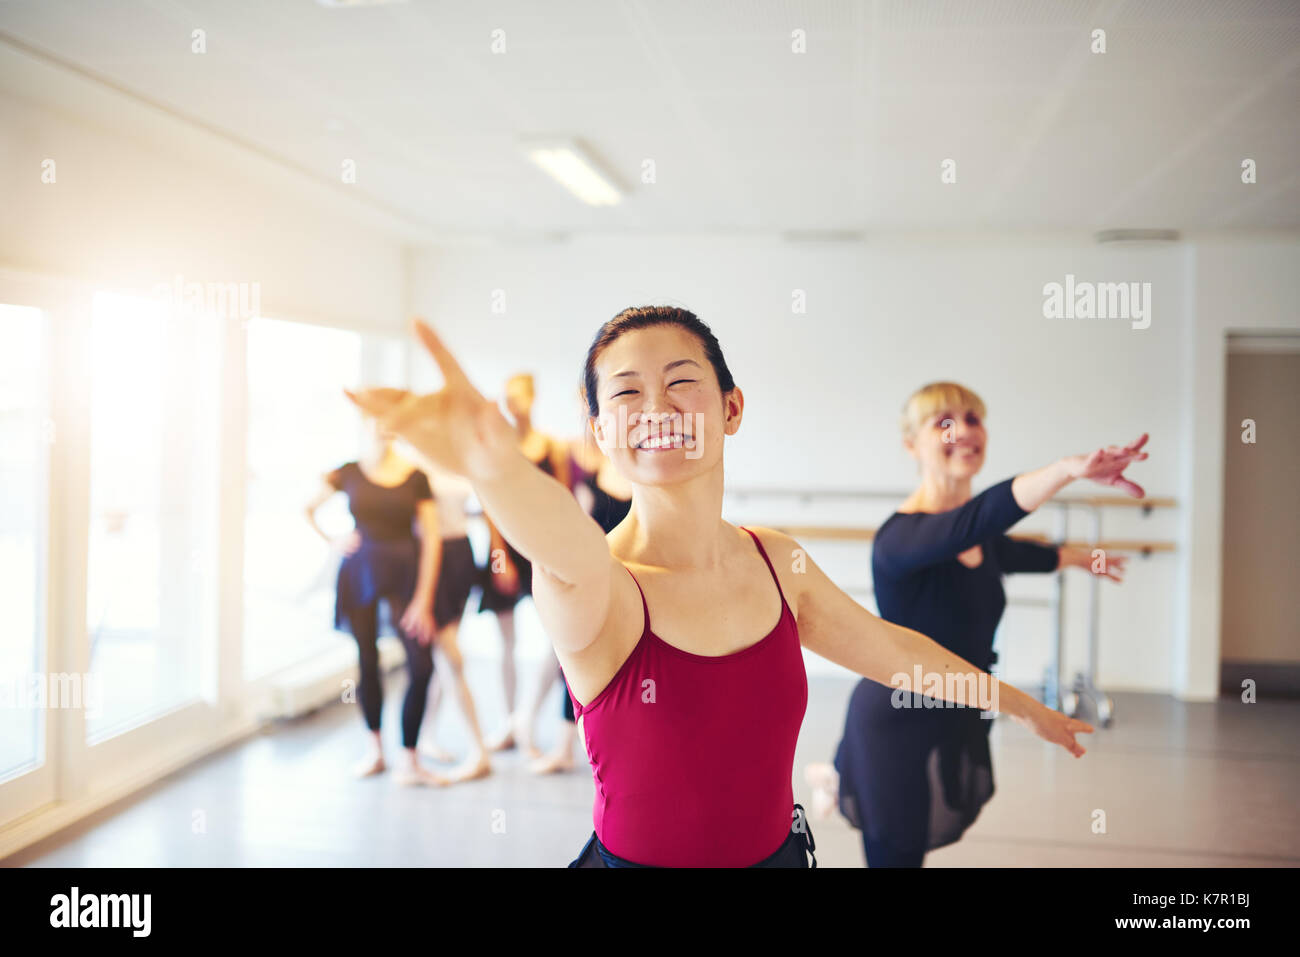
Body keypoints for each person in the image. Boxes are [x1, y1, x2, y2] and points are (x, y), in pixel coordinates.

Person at [348, 307, 1108, 868]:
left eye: (683, 383)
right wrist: (496, 469)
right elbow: (564, 548)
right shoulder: (604, 587)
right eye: (625, 394)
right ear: (598, 429)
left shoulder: (778, 562)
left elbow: (888, 648)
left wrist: (1018, 703)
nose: (658, 410)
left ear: (730, 408)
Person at [805, 382, 1145, 867]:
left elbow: (1017, 550)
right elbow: (977, 519)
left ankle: (837, 775)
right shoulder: (900, 538)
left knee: (920, 835)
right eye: (943, 422)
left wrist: (1080, 558)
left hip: (959, 709)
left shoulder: (982, 541)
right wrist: (1069, 469)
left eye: (972, 419)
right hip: (897, 719)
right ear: (910, 445)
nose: (963, 430)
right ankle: (843, 773)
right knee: (898, 851)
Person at [304, 396, 448, 786]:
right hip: (359, 573)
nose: (383, 427)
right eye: (376, 420)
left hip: (404, 572)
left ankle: (410, 758)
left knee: (422, 664)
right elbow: (308, 508)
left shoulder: (415, 476)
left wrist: (423, 598)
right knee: (366, 659)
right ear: (366, 424)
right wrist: (332, 540)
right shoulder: (348, 472)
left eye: (390, 421)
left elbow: (432, 539)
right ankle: (375, 750)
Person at [529, 389, 633, 775]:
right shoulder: (580, 463)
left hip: (631, 579)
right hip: (590, 577)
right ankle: (561, 744)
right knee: (571, 657)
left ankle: (613, 745)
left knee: (623, 664)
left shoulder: (633, 467)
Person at [475, 372, 571, 753]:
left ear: (533, 398)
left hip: (543, 547)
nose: (514, 405)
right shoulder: (499, 446)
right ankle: (508, 723)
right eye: (507, 398)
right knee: (507, 643)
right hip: (507, 550)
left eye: (520, 398)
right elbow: (489, 505)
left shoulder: (552, 447)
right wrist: (501, 560)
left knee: (558, 638)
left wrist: (554, 551)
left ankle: (529, 719)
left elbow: (563, 500)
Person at [411, 463, 494, 782]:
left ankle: (427, 735)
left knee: (444, 659)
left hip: (461, 554)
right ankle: (478, 748)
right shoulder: (411, 465)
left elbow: (477, 505)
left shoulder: (453, 457)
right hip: (431, 558)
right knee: (452, 658)